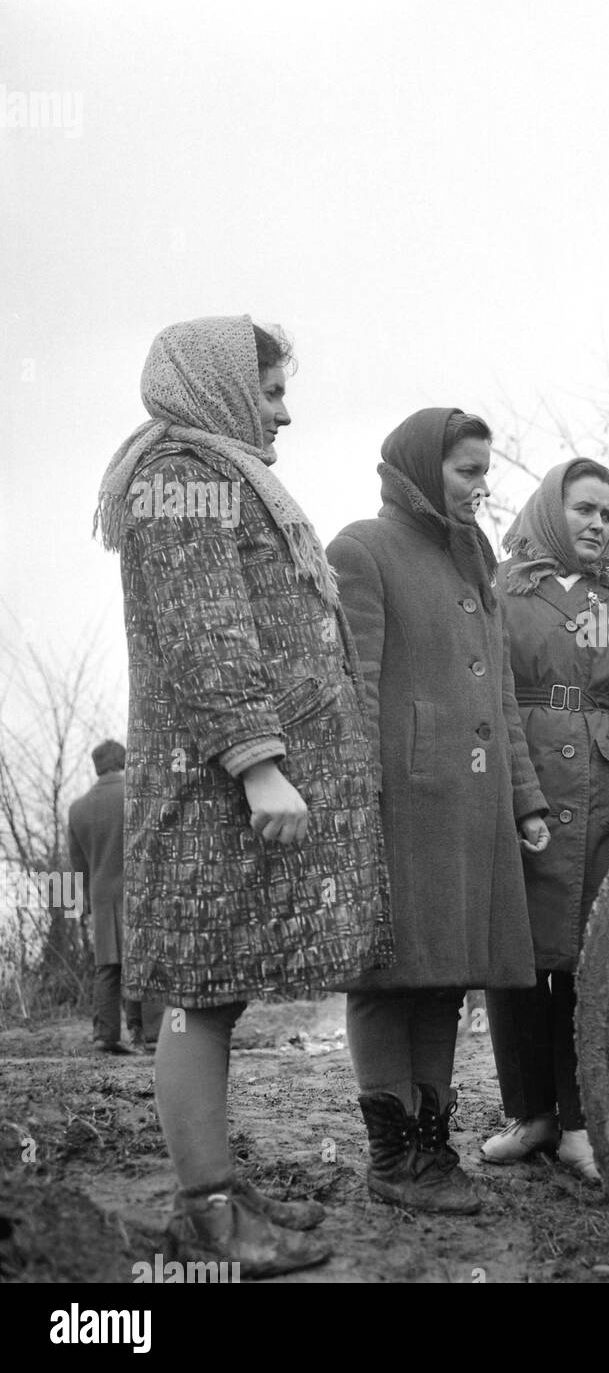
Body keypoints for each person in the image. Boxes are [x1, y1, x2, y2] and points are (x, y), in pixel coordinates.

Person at [95, 316, 392, 1277]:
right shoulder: (178, 477)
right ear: (220, 386)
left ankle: (217, 1186)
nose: (284, 410)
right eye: (269, 391)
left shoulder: (215, 472)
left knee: (215, 991)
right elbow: (205, 630)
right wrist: (260, 762)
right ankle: (207, 1217)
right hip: (212, 792)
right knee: (198, 995)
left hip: (220, 787)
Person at [326, 407, 549, 1216]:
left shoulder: (474, 563)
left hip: (473, 808)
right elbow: (346, 688)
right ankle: (392, 1159)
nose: (480, 488)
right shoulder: (362, 548)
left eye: (486, 472)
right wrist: (352, 802)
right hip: (397, 804)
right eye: (465, 471)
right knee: (388, 980)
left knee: (444, 979)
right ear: (423, 469)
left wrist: (524, 798)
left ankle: (431, 1149)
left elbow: (503, 699)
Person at [482, 459, 609, 1181]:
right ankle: (530, 1112)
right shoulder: (500, 591)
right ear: (549, 511)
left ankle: (578, 1123)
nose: (599, 523)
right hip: (522, 786)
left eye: (607, 512)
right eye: (583, 510)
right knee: (512, 961)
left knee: (588, 962)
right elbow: (486, 698)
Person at [67, 740, 149, 1053]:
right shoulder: (136, 793)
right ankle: (150, 1035)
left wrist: (75, 908)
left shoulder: (77, 807)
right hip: (138, 890)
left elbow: (74, 863)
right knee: (145, 961)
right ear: (124, 761)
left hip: (100, 896)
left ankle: (105, 1035)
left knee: (107, 967)